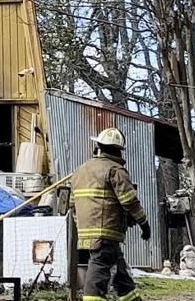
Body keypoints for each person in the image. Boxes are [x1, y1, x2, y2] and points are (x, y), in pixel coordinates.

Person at [71, 127, 150, 301]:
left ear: (98, 146)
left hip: (85, 233)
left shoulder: (80, 171)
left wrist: (82, 225)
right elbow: (129, 201)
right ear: (118, 150)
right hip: (106, 231)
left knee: (119, 269)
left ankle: (131, 297)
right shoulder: (115, 170)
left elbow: (72, 205)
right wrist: (144, 223)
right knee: (99, 267)